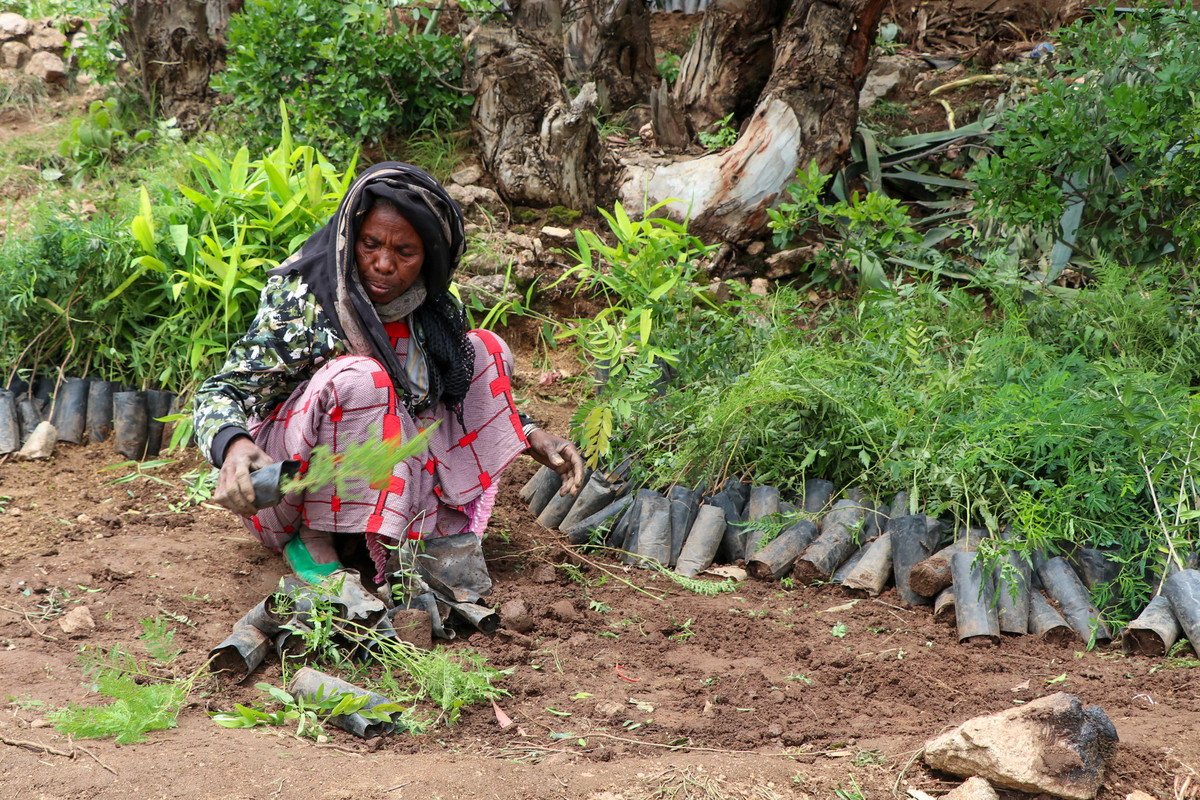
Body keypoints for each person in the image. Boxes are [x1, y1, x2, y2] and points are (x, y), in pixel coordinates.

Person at [193, 162, 584, 583]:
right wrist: (233, 447)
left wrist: (530, 435)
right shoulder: (306, 300)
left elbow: (453, 398)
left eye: (405, 252)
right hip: (286, 496)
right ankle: (315, 538)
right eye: (370, 244)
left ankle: (407, 533)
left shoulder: (428, 311)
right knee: (363, 378)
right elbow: (222, 389)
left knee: (482, 349)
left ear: (429, 259)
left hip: (379, 483)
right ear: (350, 238)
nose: (382, 264)